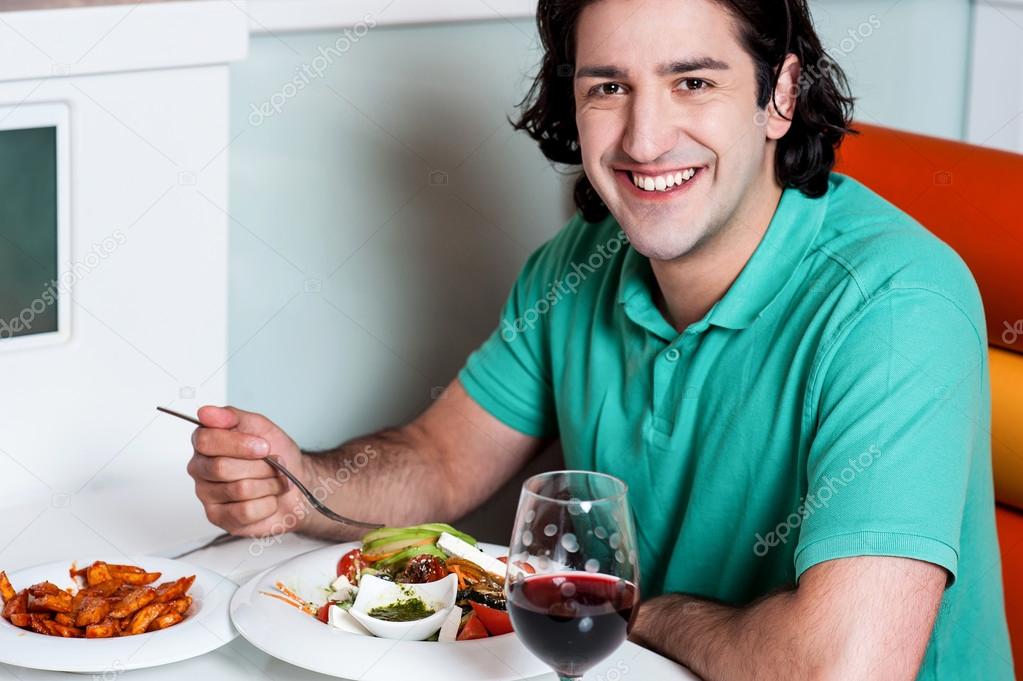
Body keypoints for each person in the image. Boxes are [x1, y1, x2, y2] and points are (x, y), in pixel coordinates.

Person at [187, 0, 1014, 678]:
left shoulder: (897, 306)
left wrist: (628, 610)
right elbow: (439, 460)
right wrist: (304, 484)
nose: (645, 140)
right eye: (608, 88)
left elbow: (842, 670)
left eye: (691, 81)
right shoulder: (576, 266)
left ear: (779, 95)